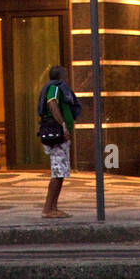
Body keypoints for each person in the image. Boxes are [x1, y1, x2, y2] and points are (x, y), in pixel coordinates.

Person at [38, 64, 80, 217]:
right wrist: (63, 125)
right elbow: (52, 103)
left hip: (61, 136)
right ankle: (48, 209)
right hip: (56, 135)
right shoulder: (54, 88)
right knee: (57, 173)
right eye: (66, 75)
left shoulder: (59, 88)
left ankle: (54, 207)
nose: (68, 79)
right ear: (61, 77)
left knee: (60, 172)